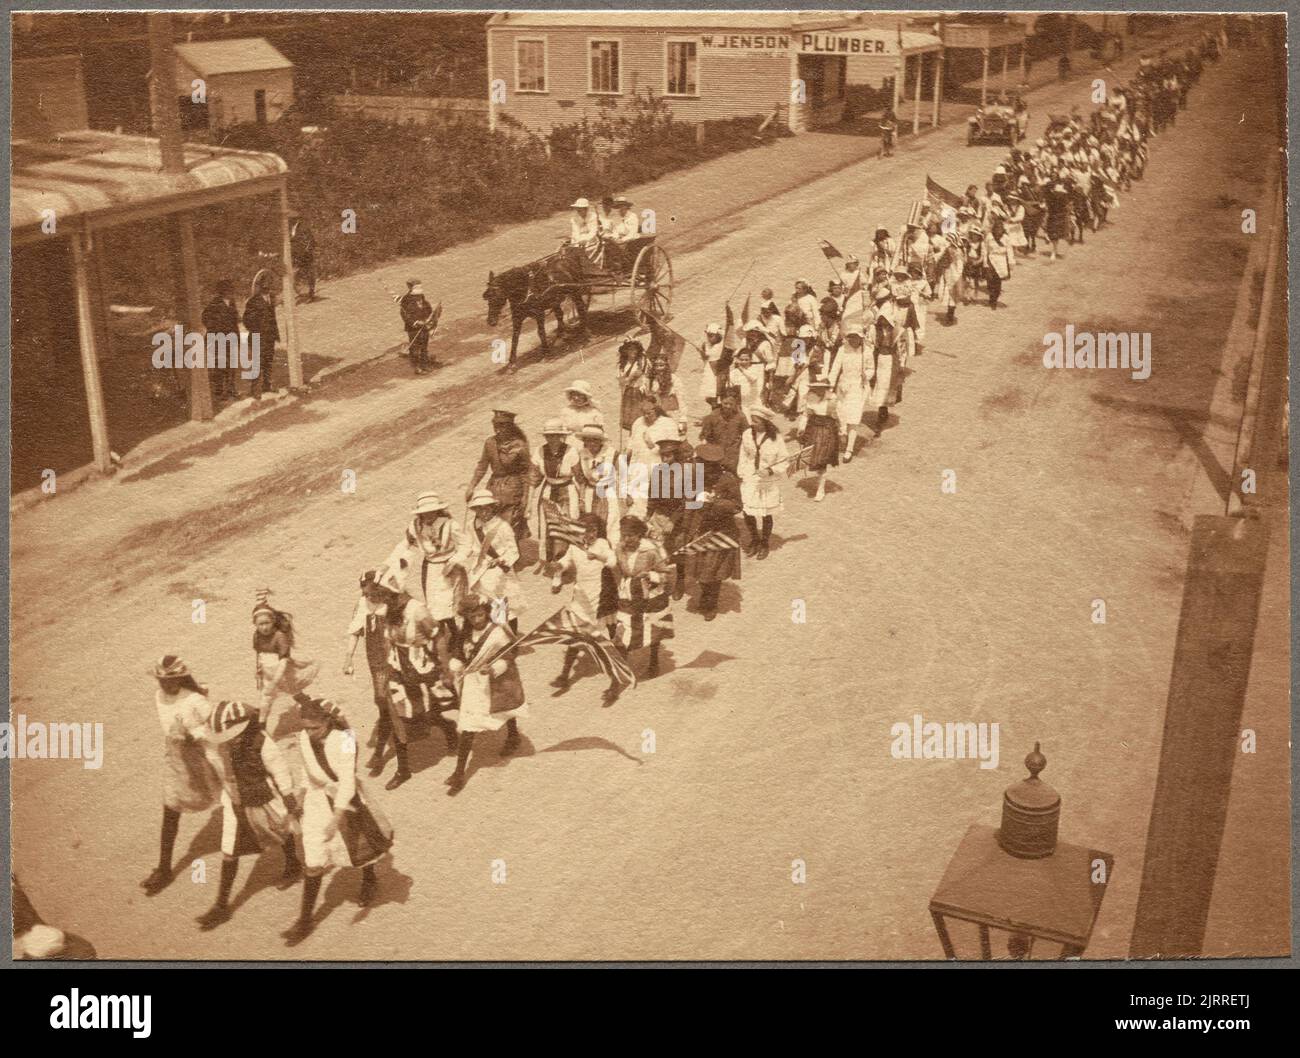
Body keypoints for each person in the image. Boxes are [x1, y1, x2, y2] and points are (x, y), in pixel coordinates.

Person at [285, 695, 394, 944]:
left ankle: (369, 879)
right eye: (306, 727)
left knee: (358, 844)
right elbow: (307, 769)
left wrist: (337, 815)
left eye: (315, 728)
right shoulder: (304, 737)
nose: (310, 733)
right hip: (315, 801)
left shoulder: (344, 740)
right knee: (313, 861)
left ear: (328, 721)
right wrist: (301, 796)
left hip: (344, 800)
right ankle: (304, 920)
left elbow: (346, 780)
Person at [197, 699, 302, 930]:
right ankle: (221, 905)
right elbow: (217, 771)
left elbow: (281, 771)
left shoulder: (263, 743)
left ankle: (293, 864)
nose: (228, 741)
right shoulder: (216, 746)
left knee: (280, 830)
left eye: (232, 736)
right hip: (235, 801)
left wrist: (289, 799)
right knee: (229, 850)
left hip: (265, 797)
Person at [141, 655, 222, 897]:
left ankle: (285, 848)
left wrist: (190, 735)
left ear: (181, 679)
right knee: (170, 808)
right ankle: (164, 868)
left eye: (171, 680)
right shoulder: (158, 696)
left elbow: (215, 727)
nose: (165, 685)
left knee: (238, 798)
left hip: (203, 756)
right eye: (161, 681)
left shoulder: (195, 700)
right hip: (176, 760)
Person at [445, 594, 528, 795]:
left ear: (486, 613)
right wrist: (456, 663)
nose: (477, 620)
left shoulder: (498, 633)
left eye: (480, 615)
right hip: (473, 684)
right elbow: (458, 652)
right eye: (472, 617)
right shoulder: (465, 633)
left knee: (505, 709)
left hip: (492, 682)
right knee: (467, 726)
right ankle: (459, 772)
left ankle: (513, 736)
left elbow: (510, 654)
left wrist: (494, 669)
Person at [678, 445, 741, 621]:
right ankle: (706, 596)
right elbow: (687, 504)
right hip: (700, 529)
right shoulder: (695, 480)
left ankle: (710, 603)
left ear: (714, 466)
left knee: (714, 570)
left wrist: (717, 503)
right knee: (701, 568)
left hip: (721, 531)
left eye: (704, 465)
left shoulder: (728, 480)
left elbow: (737, 506)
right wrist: (695, 506)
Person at [612, 514, 674, 684]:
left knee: (653, 631)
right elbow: (617, 570)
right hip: (628, 596)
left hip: (650, 598)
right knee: (622, 634)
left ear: (639, 535)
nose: (626, 539)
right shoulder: (619, 549)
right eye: (623, 534)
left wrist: (651, 576)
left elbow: (666, 574)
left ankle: (654, 659)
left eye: (630, 535)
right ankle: (619, 675)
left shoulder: (651, 551)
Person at [252, 594, 318, 729]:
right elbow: (259, 654)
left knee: (292, 689)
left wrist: (275, 681)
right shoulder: (257, 636)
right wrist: (259, 671)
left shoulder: (279, 637)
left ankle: (308, 705)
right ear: (255, 624)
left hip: (283, 672)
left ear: (273, 621)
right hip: (268, 672)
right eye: (260, 624)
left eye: (267, 623)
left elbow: (283, 662)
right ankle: (261, 728)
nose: (264, 627)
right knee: (266, 699)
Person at [466, 409, 532, 542]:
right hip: (493, 488)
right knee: (488, 521)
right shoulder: (490, 443)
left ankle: (510, 557)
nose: (498, 429)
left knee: (509, 524)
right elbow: (482, 466)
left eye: (503, 425)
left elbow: (526, 472)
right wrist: (471, 486)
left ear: (510, 427)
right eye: (496, 425)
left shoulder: (520, 445)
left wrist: (525, 497)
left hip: (513, 489)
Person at [466, 489, 525, 632]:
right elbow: (469, 546)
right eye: (479, 509)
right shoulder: (471, 525)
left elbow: (513, 551)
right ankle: (491, 636)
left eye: (486, 507)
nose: (483, 512)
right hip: (479, 569)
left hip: (500, 571)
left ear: (492, 507)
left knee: (505, 606)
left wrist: (501, 560)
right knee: (483, 605)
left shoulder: (503, 526)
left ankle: (510, 640)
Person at [737, 406, 787, 560]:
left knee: (766, 513)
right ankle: (754, 539)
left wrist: (770, 471)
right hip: (750, 476)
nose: (753, 424)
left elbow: (785, 460)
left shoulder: (776, 438)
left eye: (756, 421)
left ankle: (764, 543)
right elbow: (743, 455)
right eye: (752, 420)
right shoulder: (747, 434)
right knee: (747, 510)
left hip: (767, 479)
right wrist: (742, 473)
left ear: (765, 422)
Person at [529, 419, 581, 563]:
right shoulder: (539, 451)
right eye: (548, 436)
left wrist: (582, 499)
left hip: (567, 491)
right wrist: (528, 506)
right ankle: (551, 560)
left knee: (567, 524)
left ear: (561, 436)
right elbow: (533, 480)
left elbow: (580, 478)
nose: (551, 439)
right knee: (549, 525)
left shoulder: (571, 451)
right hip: (548, 490)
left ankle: (567, 560)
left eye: (555, 435)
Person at [827, 323, 870, 462]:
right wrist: (829, 386)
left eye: (856, 337)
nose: (853, 340)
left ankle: (849, 449)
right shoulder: (842, 349)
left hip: (858, 388)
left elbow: (871, 369)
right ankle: (842, 435)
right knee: (840, 414)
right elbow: (835, 368)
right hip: (843, 386)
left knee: (854, 418)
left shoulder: (866, 351)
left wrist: (867, 375)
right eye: (850, 337)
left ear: (861, 338)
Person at [575, 422, 621, 547]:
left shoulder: (612, 453)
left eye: (595, 440)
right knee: (590, 523)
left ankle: (611, 553)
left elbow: (623, 474)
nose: (592, 444)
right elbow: (581, 479)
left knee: (611, 523)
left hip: (608, 492)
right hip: (590, 492)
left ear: (601, 441)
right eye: (588, 440)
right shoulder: (581, 454)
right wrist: (581, 498)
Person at [797, 379, 839, 502]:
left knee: (822, 460)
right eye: (815, 389)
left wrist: (842, 430)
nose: (817, 391)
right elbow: (806, 415)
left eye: (821, 389)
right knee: (814, 458)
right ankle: (820, 483)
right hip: (814, 430)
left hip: (827, 431)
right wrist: (801, 427)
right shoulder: (811, 400)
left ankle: (821, 489)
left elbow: (839, 416)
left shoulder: (832, 401)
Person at [202, 279, 241, 403]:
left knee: (232, 365)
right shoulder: (214, 303)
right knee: (220, 366)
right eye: (228, 290)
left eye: (231, 290)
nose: (231, 293)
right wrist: (216, 329)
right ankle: (219, 391)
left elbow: (234, 321)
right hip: (218, 340)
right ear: (222, 292)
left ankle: (231, 389)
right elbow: (205, 318)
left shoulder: (232, 303)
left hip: (231, 339)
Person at [242, 275, 279, 397]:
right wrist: (257, 330)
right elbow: (246, 320)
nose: (267, 287)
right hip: (258, 337)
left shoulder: (271, 299)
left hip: (270, 337)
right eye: (264, 285)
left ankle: (267, 386)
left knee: (268, 362)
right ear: (260, 286)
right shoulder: (253, 301)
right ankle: (255, 390)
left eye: (269, 284)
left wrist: (275, 333)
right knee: (257, 363)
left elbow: (273, 318)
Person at [699, 388, 749, 473]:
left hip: (733, 454)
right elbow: (705, 435)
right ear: (721, 401)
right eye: (725, 403)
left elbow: (747, 434)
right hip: (716, 452)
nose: (728, 406)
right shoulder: (714, 415)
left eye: (731, 404)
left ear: (736, 404)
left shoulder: (741, 417)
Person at [399, 278, 437, 375]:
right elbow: (405, 315)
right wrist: (415, 322)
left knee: (424, 346)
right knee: (415, 348)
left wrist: (430, 316)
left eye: (420, 286)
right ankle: (417, 367)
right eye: (417, 286)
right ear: (411, 288)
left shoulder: (421, 296)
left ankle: (425, 365)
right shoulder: (406, 300)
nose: (420, 288)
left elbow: (427, 307)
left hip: (424, 326)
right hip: (413, 329)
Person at [730, 323, 770, 413]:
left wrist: (768, 374)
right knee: (745, 388)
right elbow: (739, 353)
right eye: (751, 331)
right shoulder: (745, 341)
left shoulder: (765, 343)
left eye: (755, 332)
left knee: (758, 390)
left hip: (759, 367)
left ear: (759, 332)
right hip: (746, 365)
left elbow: (770, 360)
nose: (753, 334)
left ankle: (758, 411)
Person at [697, 322, 730, 410]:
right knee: (709, 396)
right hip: (709, 371)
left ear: (718, 336)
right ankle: (715, 411)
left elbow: (727, 359)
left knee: (720, 393)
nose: (709, 338)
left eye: (712, 335)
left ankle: (721, 412)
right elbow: (705, 359)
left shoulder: (723, 345)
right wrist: (701, 353)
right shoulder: (705, 345)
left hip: (720, 371)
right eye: (708, 335)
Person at [289, 212, 317, 301]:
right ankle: (299, 293)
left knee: (309, 274)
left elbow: (311, 240)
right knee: (293, 275)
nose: (289, 221)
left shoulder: (303, 228)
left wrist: (307, 251)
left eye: (291, 219)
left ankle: (311, 294)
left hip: (305, 255)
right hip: (296, 256)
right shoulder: (290, 229)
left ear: (296, 219)